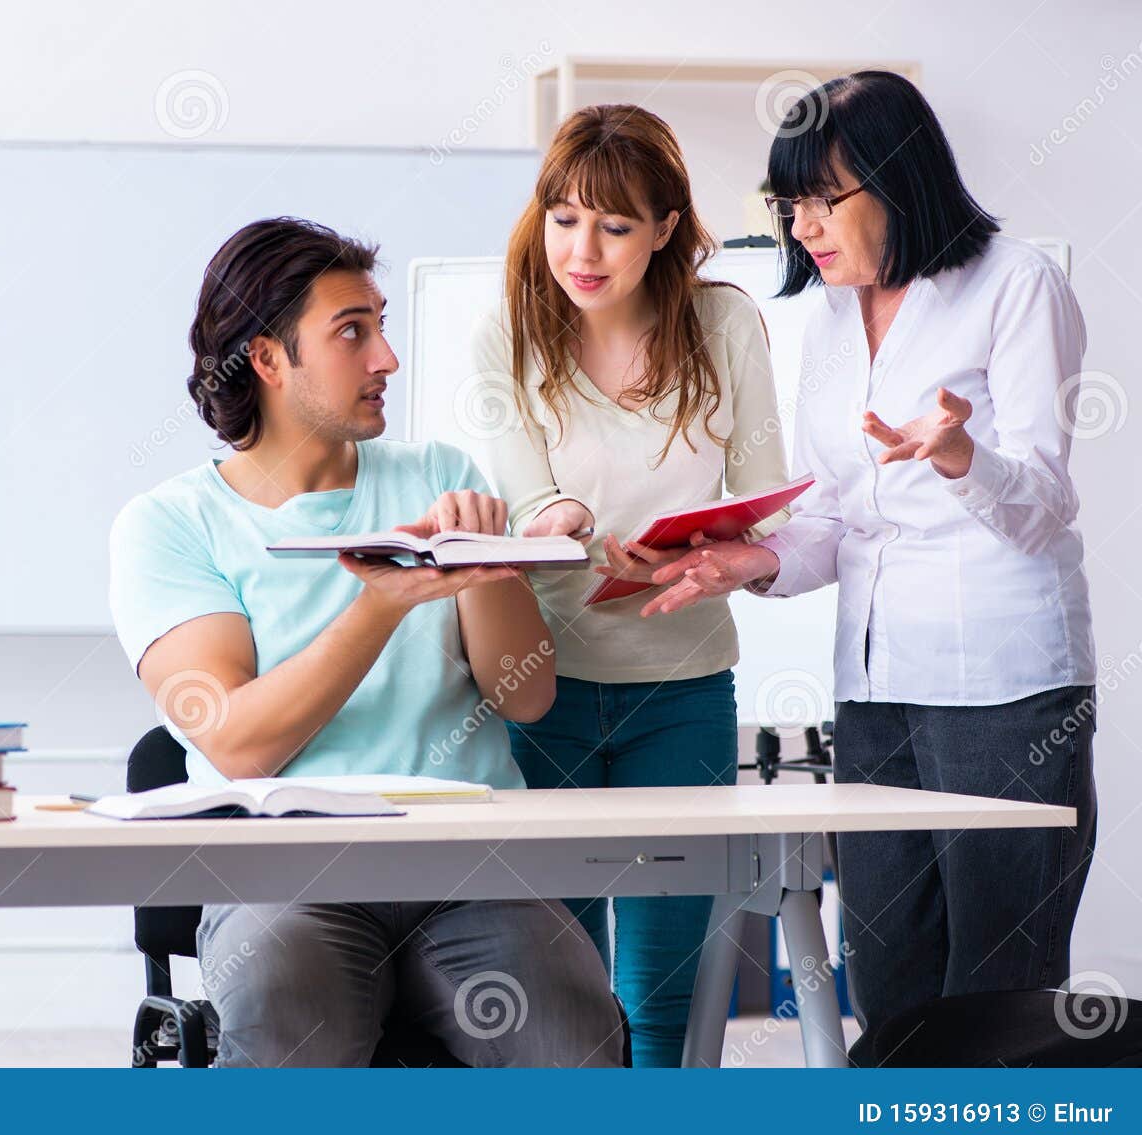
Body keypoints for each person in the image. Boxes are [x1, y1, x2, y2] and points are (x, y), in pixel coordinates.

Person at [642, 71, 1097, 1054]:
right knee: (885, 978)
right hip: (875, 687)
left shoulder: (1014, 285)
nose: (801, 223)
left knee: (1000, 997)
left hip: (1003, 688)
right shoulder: (833, 318)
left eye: (822, 197)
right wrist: (747, 561)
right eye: (787, 203)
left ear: (900, 178)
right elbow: (837, 520)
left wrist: (959, 457)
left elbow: (1045, 504)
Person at [108, 216, 626, 1067]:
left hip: (468, 874)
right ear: (268, 360)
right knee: (290, 1035)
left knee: (573, 1039)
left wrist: (485, 568)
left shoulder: (443, 478)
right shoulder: (171, 525)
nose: (386, 357)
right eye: (353, 332)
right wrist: (383, 603)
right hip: (283, 880)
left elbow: (527, 696)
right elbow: (240, 745)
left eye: (381, 326)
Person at [467, 103, 791, 1067]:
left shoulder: (724, 320)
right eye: (565, 218)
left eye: (616, 225)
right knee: (558, 995)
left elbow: (764, 503)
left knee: (668, 995)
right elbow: (531, 501)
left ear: (665, 229)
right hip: (542, 685)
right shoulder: (509, 332)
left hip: (682, 686)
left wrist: (709, 545)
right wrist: (555, 520)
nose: (586, 249)